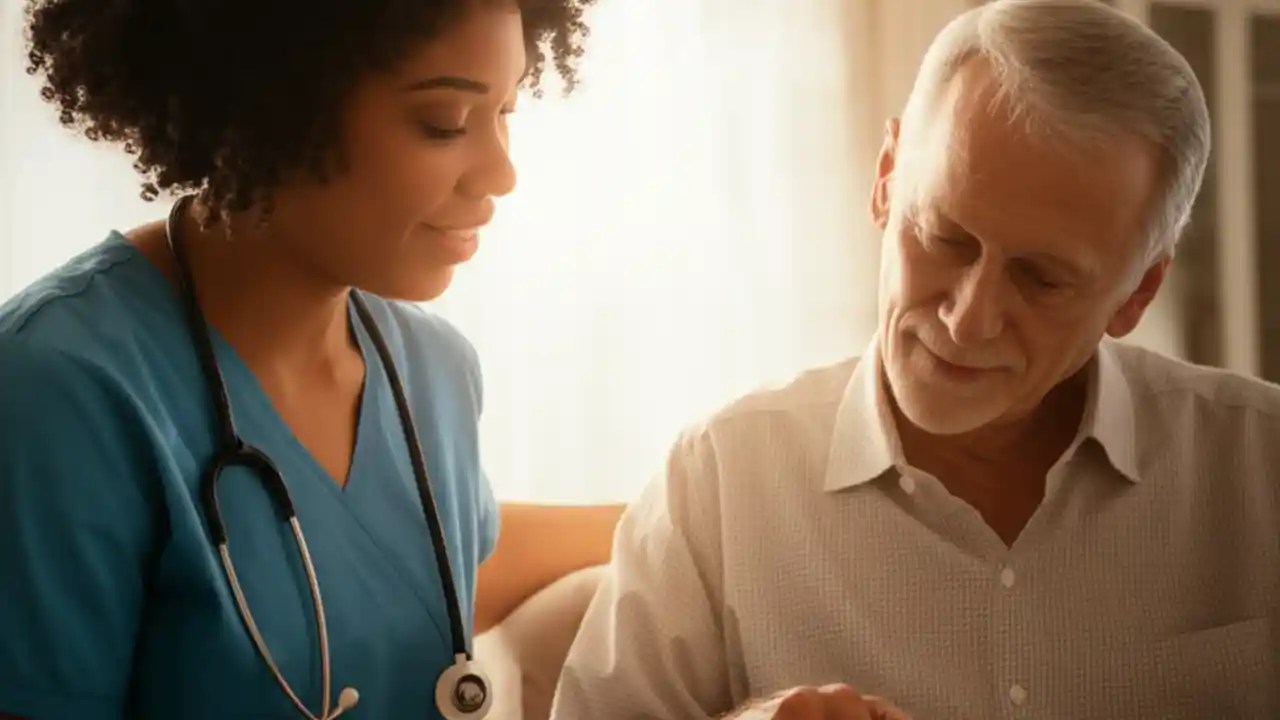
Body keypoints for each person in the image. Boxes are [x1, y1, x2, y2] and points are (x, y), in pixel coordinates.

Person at [551, 1, 1280, 718]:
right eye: (944, 238)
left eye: (1041, 279)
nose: (968, 320)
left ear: (1138, 292)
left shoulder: (1261, 468)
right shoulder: (718, 481)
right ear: (886, 179)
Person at [0, 0, 625, 718]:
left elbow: (428, 572)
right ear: (272, 104)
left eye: (506, 110)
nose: (501, 172)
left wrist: (697, 520)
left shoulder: (434, 371)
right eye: (445, 122)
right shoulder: (57, 391)